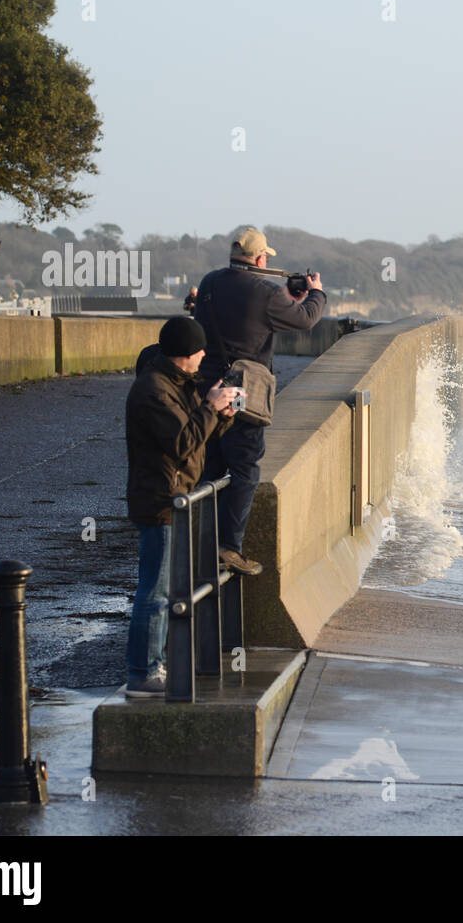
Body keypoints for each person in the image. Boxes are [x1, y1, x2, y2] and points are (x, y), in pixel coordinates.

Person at [192, 227, 326, 576]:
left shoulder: (208, 283)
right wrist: (317, 294)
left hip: (207, 388)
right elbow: (306, 319)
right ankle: (228, 548)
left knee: (211, 465)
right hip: (241, 395)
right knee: (246, 466)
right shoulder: (265, 293)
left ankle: (198, 545)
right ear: (261, 258)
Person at [124, 317, 238, 698]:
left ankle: (155, 663)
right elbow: (182, 442)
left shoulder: (176, 385)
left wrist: (220, 418)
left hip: (176, 497)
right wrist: (208, 407)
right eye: (200, 350)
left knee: (165, 589)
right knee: (154, 592)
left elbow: (197, 438)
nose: (204, 355)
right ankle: (142, 672)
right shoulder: (154, 391)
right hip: (160, 500)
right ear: (186, 354)